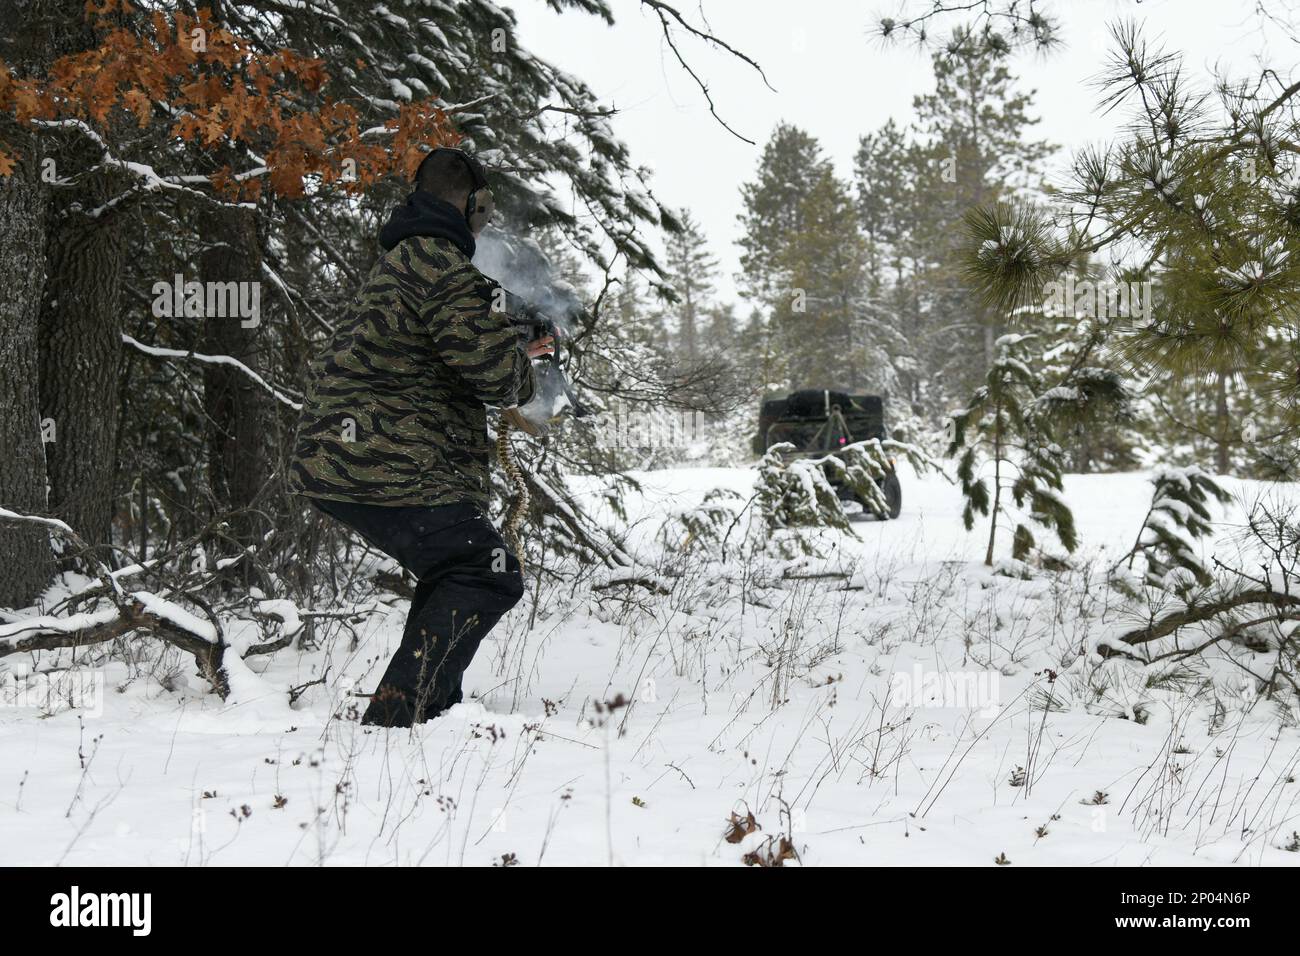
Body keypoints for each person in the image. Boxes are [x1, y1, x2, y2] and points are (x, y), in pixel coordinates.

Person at [289, 146, 553, 728]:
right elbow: (493, 376)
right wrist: (522, 361)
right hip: (382, 459)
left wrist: (503, 330)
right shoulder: (441, 264)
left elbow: (444, 339)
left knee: (456, 571)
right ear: (472, 206)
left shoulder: (408, 260)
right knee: (488, 570)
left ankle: (428, 709)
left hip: (349, 459)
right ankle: (399, 714)